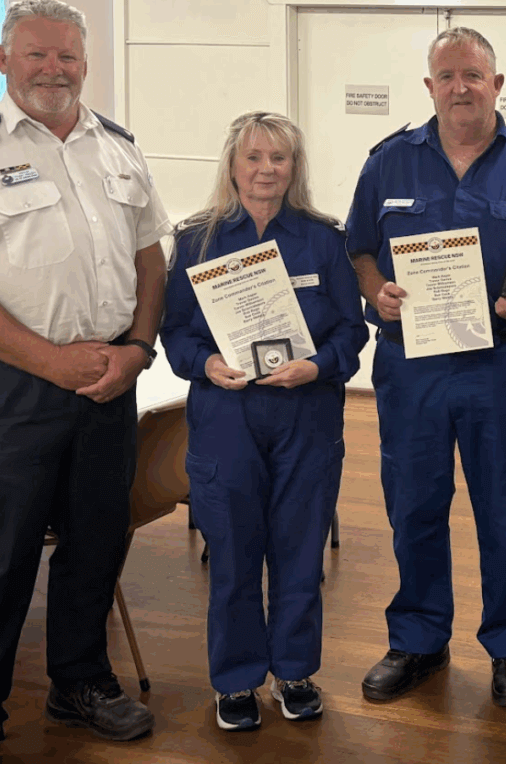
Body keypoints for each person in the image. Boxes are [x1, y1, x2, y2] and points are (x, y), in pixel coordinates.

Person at [0, 0, 169, 764]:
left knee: (95, 543)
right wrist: (53, 362)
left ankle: (78, 680)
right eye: (37, 55)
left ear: (86, 63)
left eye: (69, 57)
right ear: (3, 59)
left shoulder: (117, 147)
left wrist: (139, 349)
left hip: (112, 380)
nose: (54, 69)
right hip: (14, 385)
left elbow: (150, 258)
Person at [346, 27, 506, 709]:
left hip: (500, 364)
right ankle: (419, 636)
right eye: (446, 75)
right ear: (429, 86)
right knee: (414, 502)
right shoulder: (388, 163)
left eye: (473, 75)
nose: (460, 87)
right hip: (410, 366)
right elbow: (359, 249)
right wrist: (376, 291)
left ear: (496, 83)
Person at [161, 112, 367, 732]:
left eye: (278, 159)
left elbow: (352, 332)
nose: (265, 170)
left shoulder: (323, 240)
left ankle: (296, 670)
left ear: (293, 169)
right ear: (232, 164)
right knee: (232, 553)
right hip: (227, 415)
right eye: (253, 157)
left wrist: (319, 366)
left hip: (306, 415)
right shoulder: (196, 241)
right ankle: (237, 678)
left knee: (300, 551)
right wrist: (206, 363)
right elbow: (175, 333)